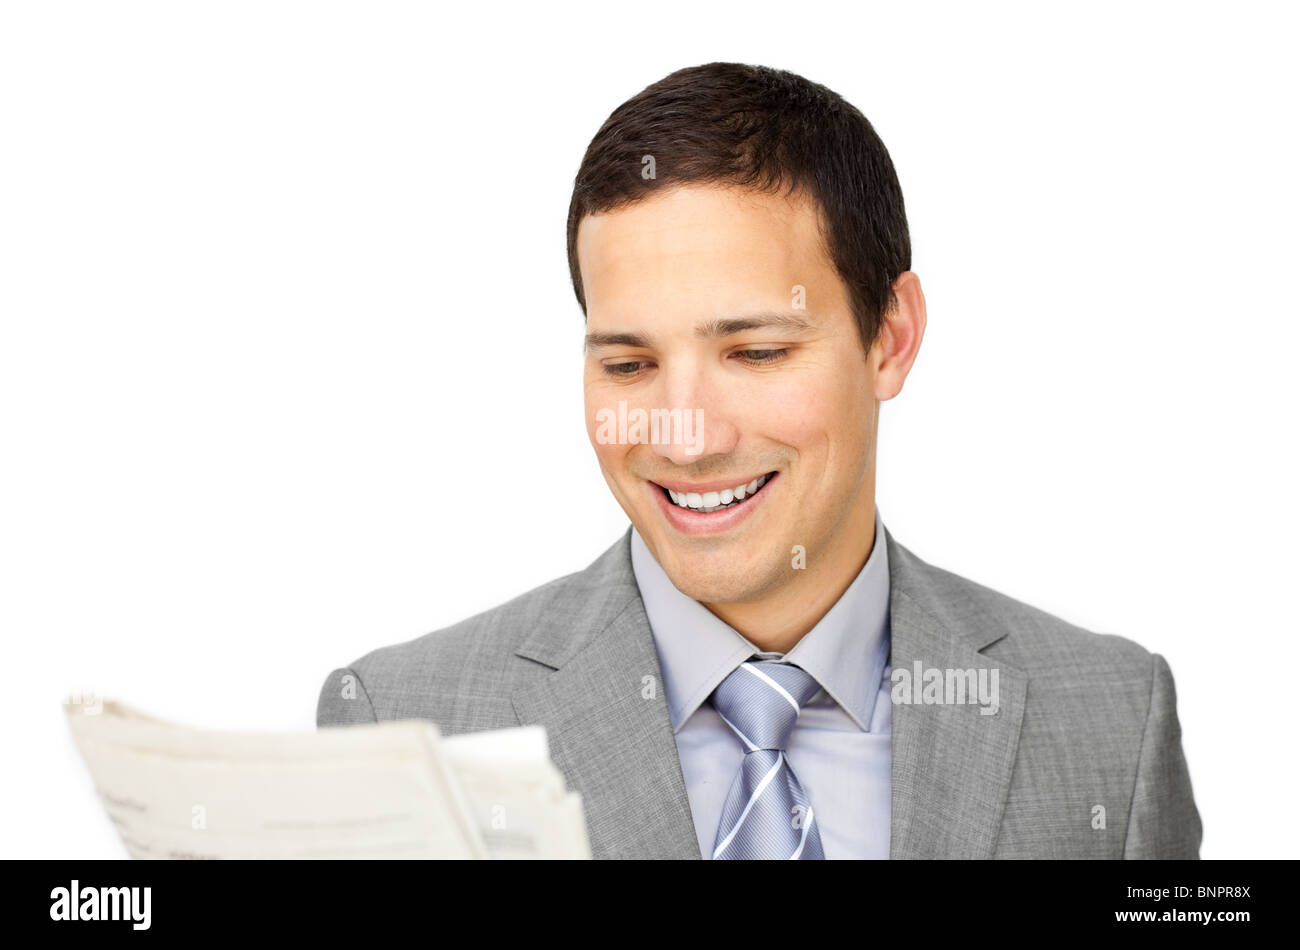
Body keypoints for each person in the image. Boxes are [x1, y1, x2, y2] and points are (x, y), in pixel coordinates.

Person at [317, 62, 1201, 859]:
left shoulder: (1111, 724)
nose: (686, 438)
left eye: (756, 353)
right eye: (628, 364)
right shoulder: (400, 725)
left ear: (890, 338)